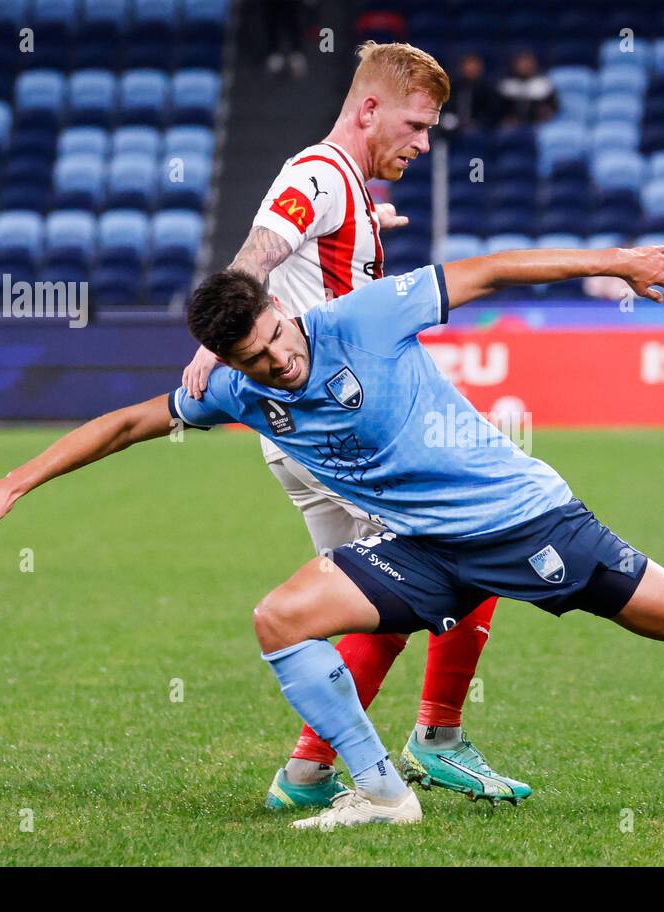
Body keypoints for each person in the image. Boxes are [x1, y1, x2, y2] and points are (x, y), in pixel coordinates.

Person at [0, 243, 664, 830]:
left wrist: (608, 261)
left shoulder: (361, 316)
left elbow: (483, 272)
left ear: (287, 315)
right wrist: (14, 480)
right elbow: (128, 423)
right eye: (253, 358)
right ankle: (381, 794)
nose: (279, 361)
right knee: (280, 617)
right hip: (421, 551)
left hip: (524, 521)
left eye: (275, 338)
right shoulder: (238, 394)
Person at [179, 41, 530, 809]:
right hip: (338, 432)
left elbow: (309, 257)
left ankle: (310, 773)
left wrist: (368, 224)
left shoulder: (344, 192)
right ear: (367, 109)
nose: (424, 142)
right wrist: (218, 337)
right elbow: (258, 253)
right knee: (474, 543)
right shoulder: (317, 175)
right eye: (415, 124)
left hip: (306, 436)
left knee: (383, 598)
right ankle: (433, 739)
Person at [497, 50, 557, 126]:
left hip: (538, 125)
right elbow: (498, 109)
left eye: (528, 63)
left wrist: (546, 113)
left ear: (534, 65)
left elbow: (554, 107)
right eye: (521, 63)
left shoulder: (543, 84)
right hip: (511, 126)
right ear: (514, 65)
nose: (525, 66)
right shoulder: (505, 84)